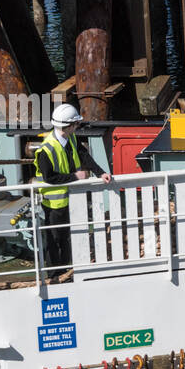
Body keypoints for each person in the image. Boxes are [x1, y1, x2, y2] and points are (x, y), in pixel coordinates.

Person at [33, 103, 111, 267]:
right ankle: (55, 273)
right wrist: (75, 177)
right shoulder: (46, 150)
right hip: (54, 204)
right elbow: (49, 178)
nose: (78, 127)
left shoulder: (71, 138)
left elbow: (83, 155)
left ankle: (68, 268)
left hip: (72, 199)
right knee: (54, 239)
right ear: (68, 126)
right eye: (76, 124)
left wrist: (100, 172)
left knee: (69, 236)